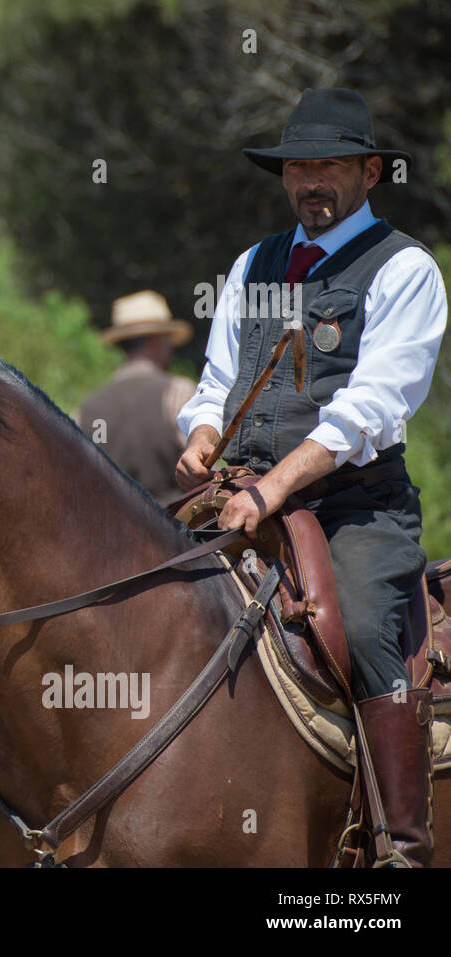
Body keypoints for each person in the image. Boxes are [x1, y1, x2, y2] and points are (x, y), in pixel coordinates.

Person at [175, 89, 447, 865]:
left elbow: (369, 408)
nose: (309, 181)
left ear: (370, 171)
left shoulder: (405, 269)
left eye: (327, 164)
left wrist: (276, 484)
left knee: (361, 627)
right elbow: (215, 381)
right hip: (238, 503)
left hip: (353, 511)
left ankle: (401, 839)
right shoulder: (252, 264)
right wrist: (200, 436)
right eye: (297, 167)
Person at [75, 290, 196, 501]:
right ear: (157, 340)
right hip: (172, 529)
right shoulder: (179, 393)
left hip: (106, 528)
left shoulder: (86, 409)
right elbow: (204, 470)